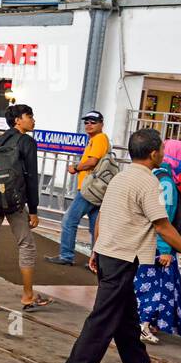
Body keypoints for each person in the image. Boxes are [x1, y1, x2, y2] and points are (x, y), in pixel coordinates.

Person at [60, 129, 181, 363]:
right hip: (122, 256)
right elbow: (162, 225)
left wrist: (96, 249)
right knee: (104, 315)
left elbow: (103, 215)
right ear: (154, 154)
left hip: (110, 252)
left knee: (127, 312)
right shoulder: (148, 182)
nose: (164, 154)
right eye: (162, 150)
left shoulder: (121, 177)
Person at [0, 103, 51, 312]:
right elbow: (32, 177)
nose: (33, 120)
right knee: (26, 244)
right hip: (15, 202)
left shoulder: (3, 139)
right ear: (18, 120)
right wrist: (33, 210)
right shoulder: (26, 141)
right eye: (29, 116)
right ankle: (27, 295)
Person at [135, 139, 181, 343]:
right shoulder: (166, 181)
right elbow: (163, 217)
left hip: (150, 243)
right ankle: (145, 325)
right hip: (159, 247)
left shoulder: (159, 176)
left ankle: (148, 325)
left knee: (155, 288)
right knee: (157, 290)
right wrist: (165, 248)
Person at [47, 111, 111, 266]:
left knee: (69, 221)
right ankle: (97, 261)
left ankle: (66, 256)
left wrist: (75, 167)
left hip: (90, 190)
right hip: (96, 190)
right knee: (95, 227)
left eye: (93, 122)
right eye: (87, 122)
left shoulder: (100, 139)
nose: (89, 124)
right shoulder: (96, 139)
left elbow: (92, 162)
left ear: (101, 124)